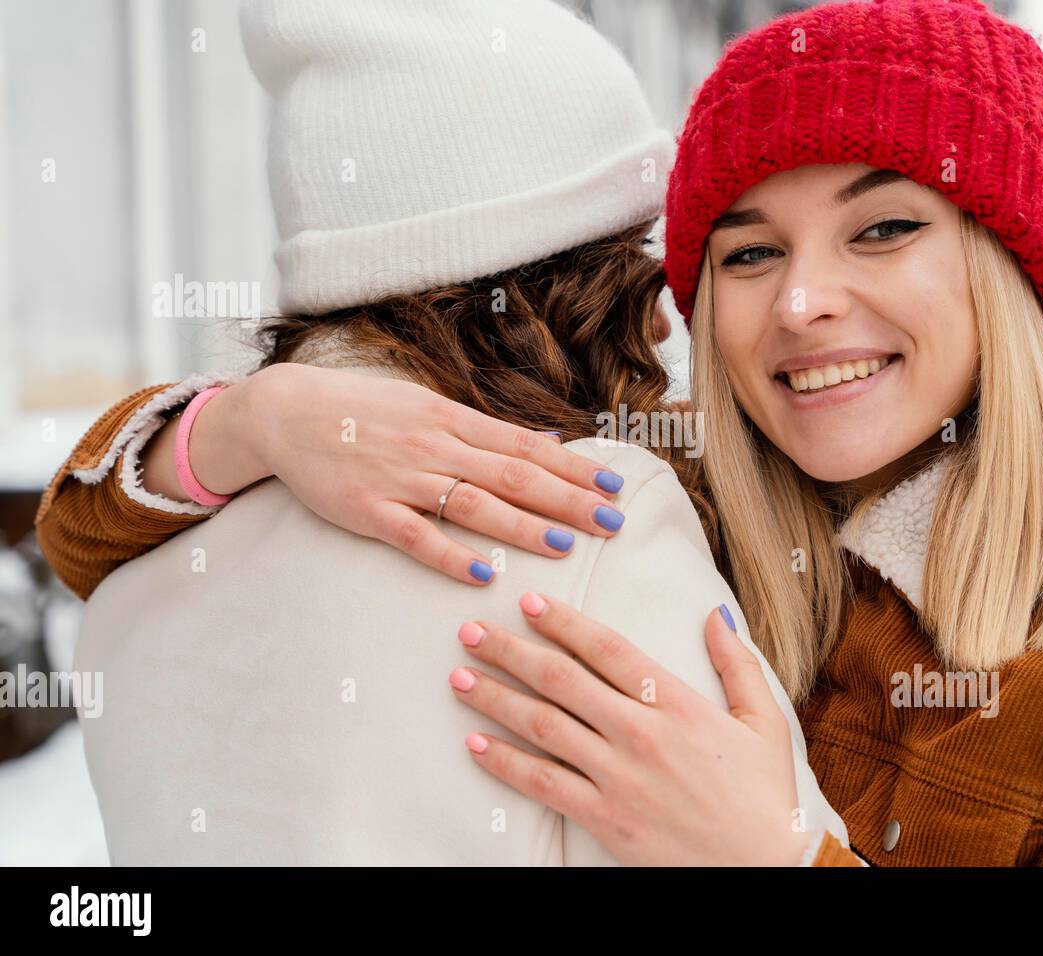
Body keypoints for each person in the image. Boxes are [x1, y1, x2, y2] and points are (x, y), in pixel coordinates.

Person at [40, 0, 1043, 866]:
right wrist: (254, 418)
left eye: (884, 228)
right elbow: (86, 532)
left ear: (1010, 275)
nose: (802, 300)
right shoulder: (678, 503)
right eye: (748, 251)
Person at [56, 0, 851, 866]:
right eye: (628, 262)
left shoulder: (133, 582)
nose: (662, 326)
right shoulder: (593, 522)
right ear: (552, 291)